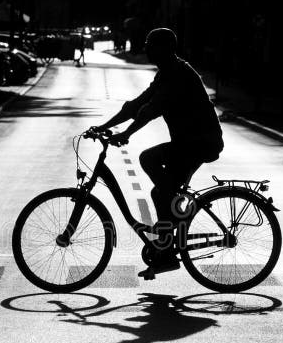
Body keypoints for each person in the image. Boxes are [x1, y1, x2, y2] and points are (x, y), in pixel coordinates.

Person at [96, 27, 224, 275]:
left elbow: (152, 109)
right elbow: (137, 105)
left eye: (150, 44)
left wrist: (126, 134)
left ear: (164, 48)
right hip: (187, 143)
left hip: (199, 142)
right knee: (155, 179)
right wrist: (104, 127)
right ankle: (171, 219)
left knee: (155, 178)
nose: (145, 48)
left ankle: (166, 250)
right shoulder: (166, 72)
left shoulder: (178, 74)